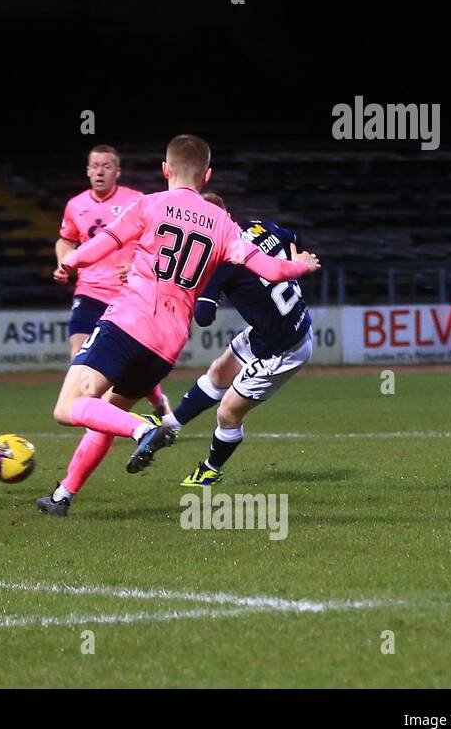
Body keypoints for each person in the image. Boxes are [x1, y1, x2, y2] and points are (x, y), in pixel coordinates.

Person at [37, 135, 319, 516]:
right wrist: (302, 265)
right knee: (105, 416)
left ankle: (144, 428)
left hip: (129, 321)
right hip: (168, 344)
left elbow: (104, 243)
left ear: (165, 169)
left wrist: (70, 263)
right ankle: (63, 495)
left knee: (68, 407)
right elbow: (272, 269)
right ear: (207, 175)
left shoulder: (149, 204)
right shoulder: (225, 226)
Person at [151, 205, 315, 486]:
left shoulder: (223, 261)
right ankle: (170, 426)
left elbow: (204, 317)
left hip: (283, 348)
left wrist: (204, 288)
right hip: (279, 328)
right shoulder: (260, 227)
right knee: (219, 372)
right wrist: (295, 258)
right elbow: (293, 236)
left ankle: (210, 470)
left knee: (227, 412)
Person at [55, 145, 169, 413]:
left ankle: (157, 400)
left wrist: (137, 265)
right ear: (87, 171)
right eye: (95, 166)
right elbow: (65, 239)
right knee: (81, 355)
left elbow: (157, 239)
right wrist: (63, 262)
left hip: (127, 294)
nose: (100, 172)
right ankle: (95, 417)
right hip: (89, 291)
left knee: (131, 362)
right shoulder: (76, 205)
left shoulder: (137, 200)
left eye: (106, 166)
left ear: (117, 171)